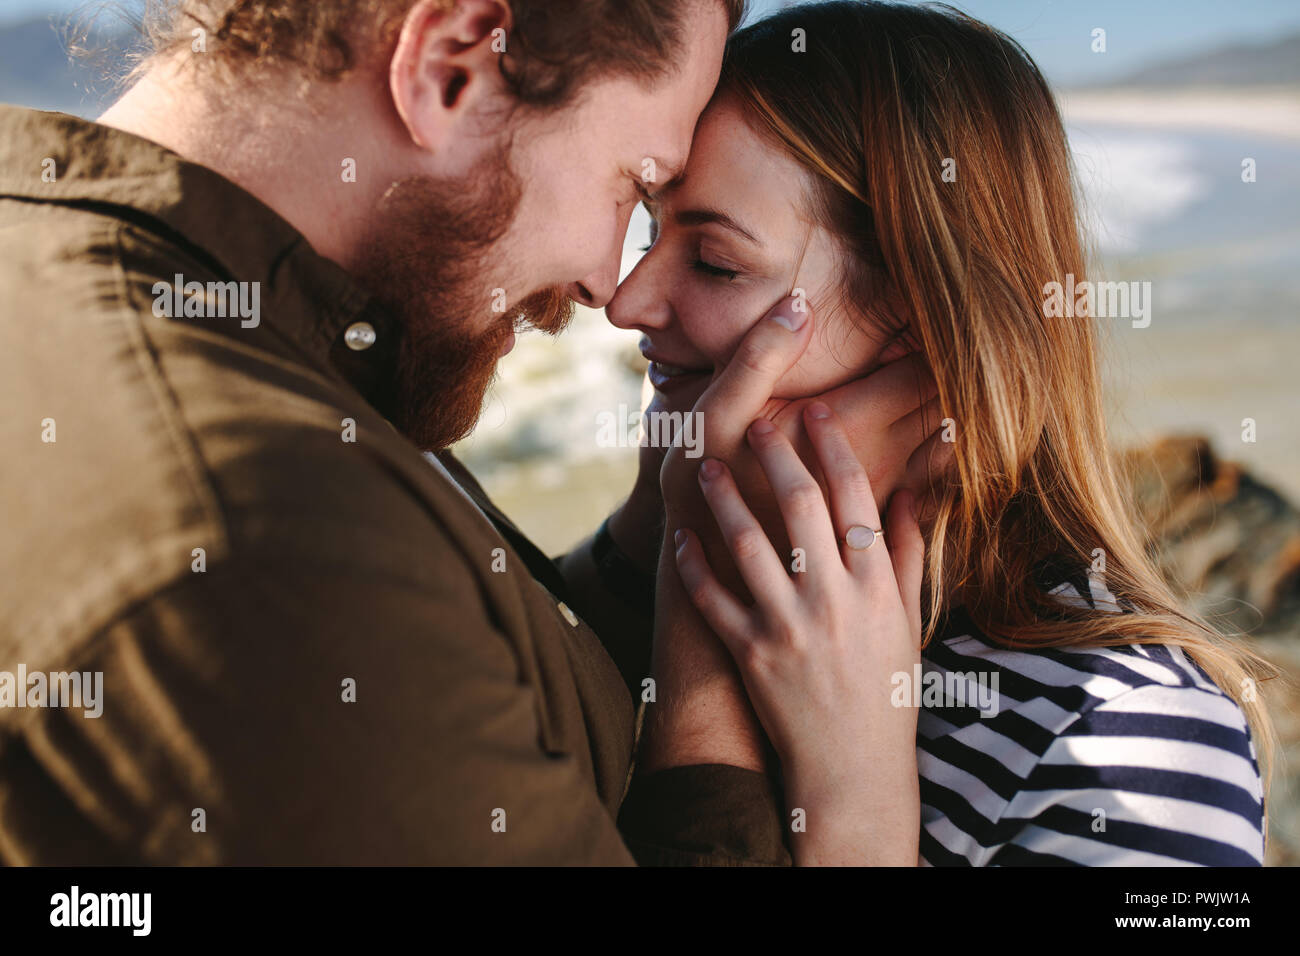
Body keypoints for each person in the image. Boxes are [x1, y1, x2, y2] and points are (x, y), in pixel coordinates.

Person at [0, 0, 939, 865]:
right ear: (450, 66)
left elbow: (486, 653)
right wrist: (851, 808)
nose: (609, 289)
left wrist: (658, 536)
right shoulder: (264, 529)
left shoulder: (243, 335)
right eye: (632, 187)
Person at [608, 1, 1277, 865]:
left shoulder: (1134, 737)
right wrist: (664, 529)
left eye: (715, 263)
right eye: (648, 230)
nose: (626, 301)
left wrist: (856, 798)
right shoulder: (665, 576)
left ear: (928, 319)